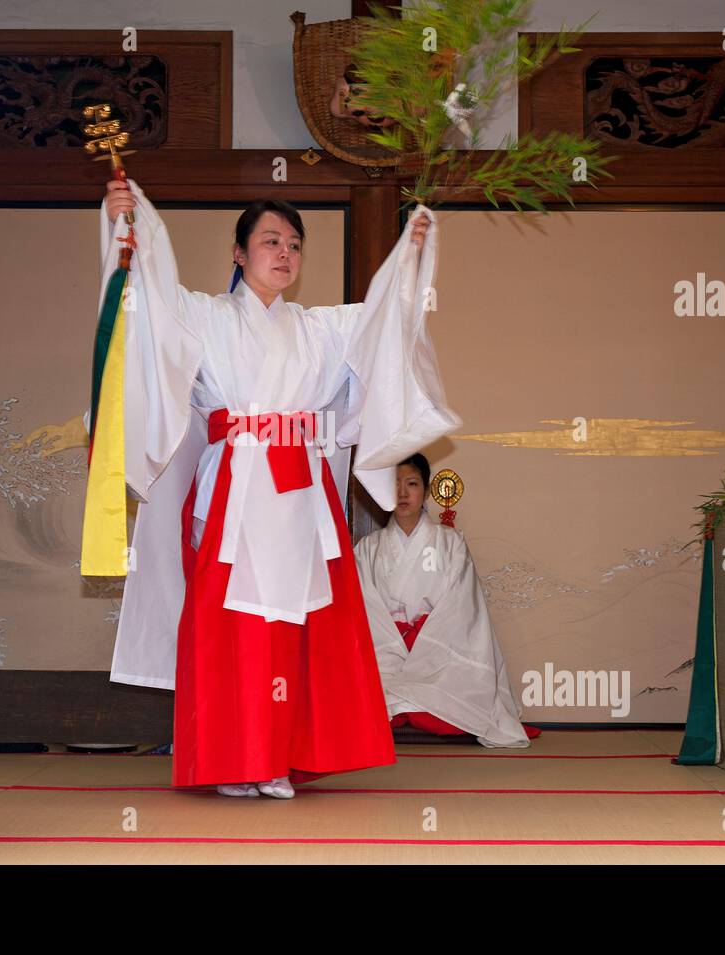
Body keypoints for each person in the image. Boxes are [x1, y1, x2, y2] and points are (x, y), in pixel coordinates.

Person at [102, 177, 459, 797]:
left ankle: (281, 756)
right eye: (269, 241)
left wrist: (410, 256)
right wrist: (132, 228)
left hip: (300, 492)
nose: (284, 253)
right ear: (238, 253)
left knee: (297, 628)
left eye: (294, 243)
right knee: (233, 628)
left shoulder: (321, 328)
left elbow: (383, 324)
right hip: (234, 488)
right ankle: (237, 761)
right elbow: (149, 300)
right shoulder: (204, 316)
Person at [354, 454, 535, 748]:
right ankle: (409, 703)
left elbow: (462, 606)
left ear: (426, 492)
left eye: (411, 484)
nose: (402, 492)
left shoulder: (451, 543)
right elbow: (365, 608)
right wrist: (396, 646)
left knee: (457, 692)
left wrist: (424, 645)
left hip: (440, 651)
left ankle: (409, 706)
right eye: (395, 484)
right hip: (385, 650)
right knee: (357, 693)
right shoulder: (368, 548)